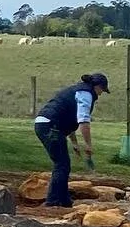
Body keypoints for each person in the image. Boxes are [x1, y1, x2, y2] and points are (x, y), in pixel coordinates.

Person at [34, 72, 110, 208]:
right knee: (61, 164)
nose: (100, 94)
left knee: (64, 164)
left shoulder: (78, 90)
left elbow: (68, 119)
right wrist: (88, 144)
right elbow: (83, 121)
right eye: (102, 90)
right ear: (97, 86)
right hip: (50, 126)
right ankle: (53, 201)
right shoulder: (85, 94)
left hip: (45, 123)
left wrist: (74, 143)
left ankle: (64, 200)